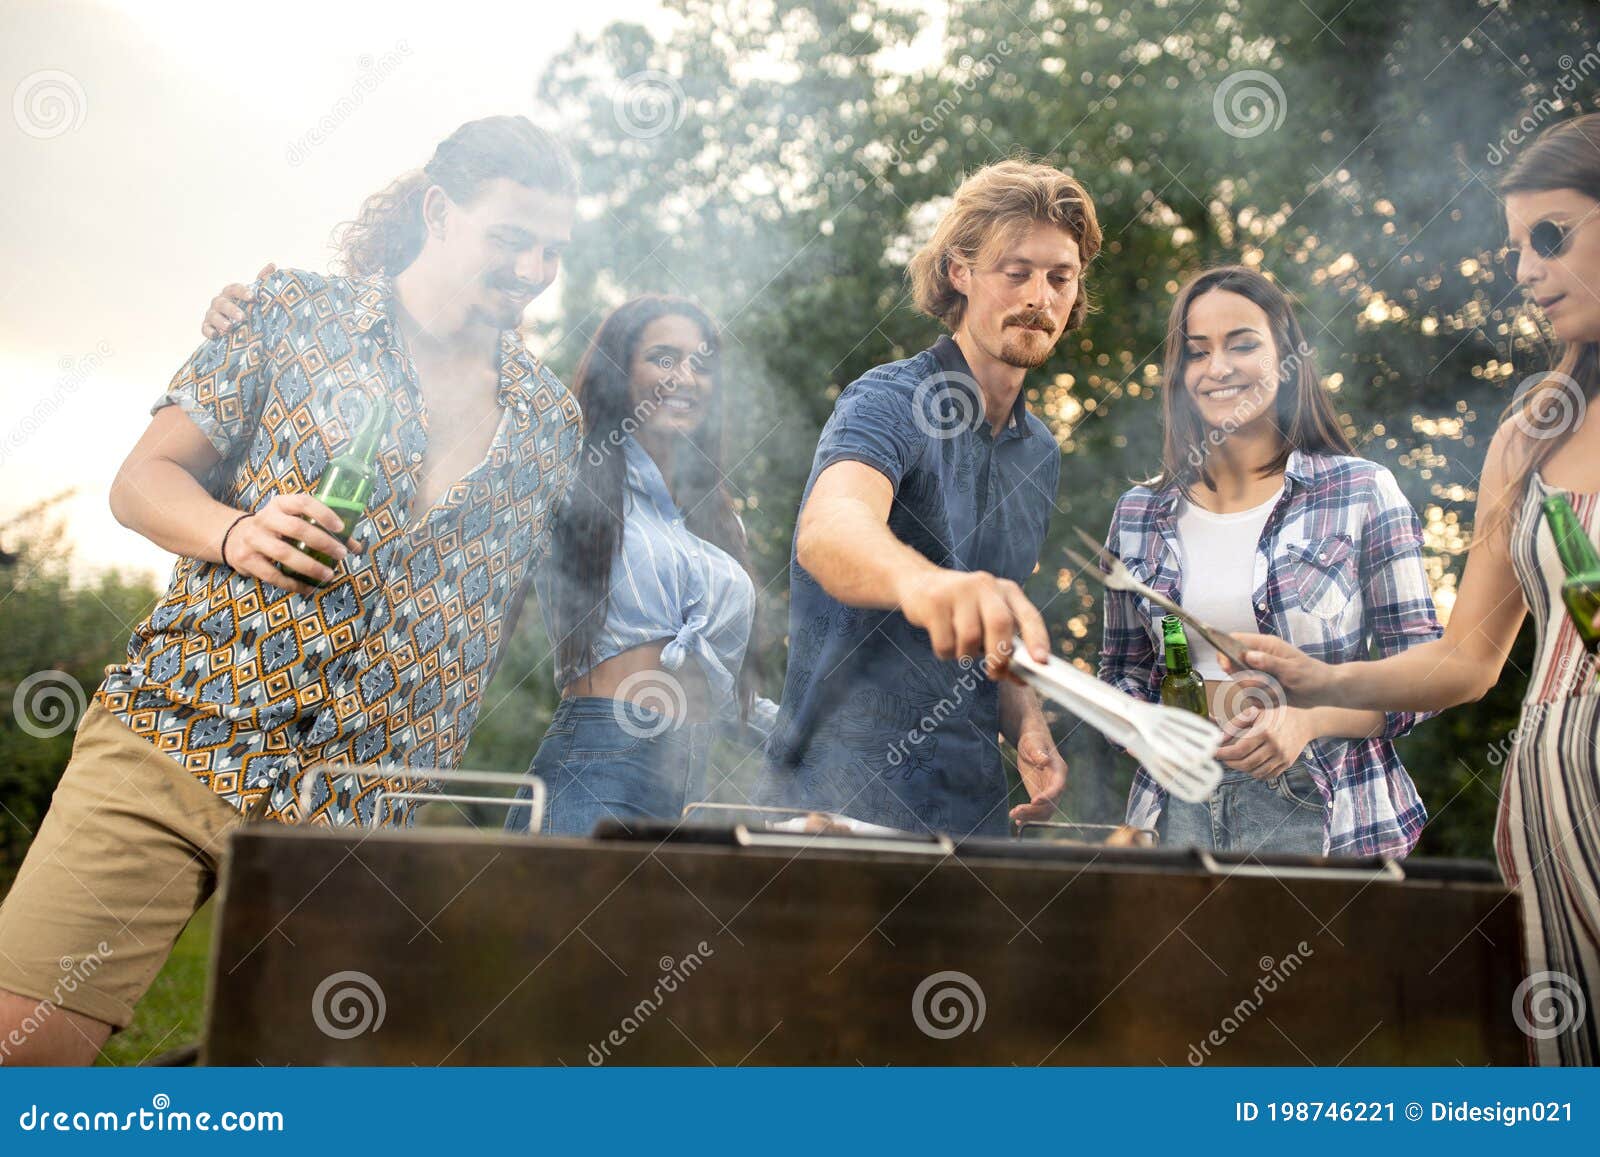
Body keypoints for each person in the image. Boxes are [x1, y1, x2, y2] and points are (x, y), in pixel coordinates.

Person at [0, 116, 582, 1064]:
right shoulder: (288, 313)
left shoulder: (551, 420)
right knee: (20, 1058)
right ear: (439, 211)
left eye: (552, 250)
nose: (531, 269)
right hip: (184, 732)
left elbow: (506, 603)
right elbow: (140, 482)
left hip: (360, 805)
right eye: (510, 238)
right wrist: (237, 529)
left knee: (292, 1098)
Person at [1223, 113, 1600, 1064]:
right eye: (1514, 247)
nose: (1523, 270)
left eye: (1551, 236)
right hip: (1557, 791)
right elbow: (1468, 659)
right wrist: (1320, 680)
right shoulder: (1532, 432)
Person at [754, 158, 1093, 837]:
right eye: (1015, 271)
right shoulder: (889, 398)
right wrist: (926, 584)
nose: (1040, 296)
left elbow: (991, 627)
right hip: (840, 802)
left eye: (1060, 278)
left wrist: (1026, 723)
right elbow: (829, 529)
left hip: (972, 814)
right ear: (960, 272)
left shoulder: (1040, 452)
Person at [1098, 266, 1440, 857]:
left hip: (1328, 812)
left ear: (1287, 356)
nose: (1218, 368)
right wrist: (1143, 726)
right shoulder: (1139, 512)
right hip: (1176, 811)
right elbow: (1121, 670)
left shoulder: (1360, 492)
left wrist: (1309, 721)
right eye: (1197, 352)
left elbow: (1428, 676)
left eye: (1243, 344)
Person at [506, 295, 777, 834]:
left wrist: (816, 738)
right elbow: (490, 594)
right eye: (663, 358)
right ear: (620, 371)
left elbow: (721, 692)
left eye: (701, 364)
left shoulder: (720, 522)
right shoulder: (573, 475)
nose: (686, 377)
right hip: (596, 767)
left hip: (688, 786)